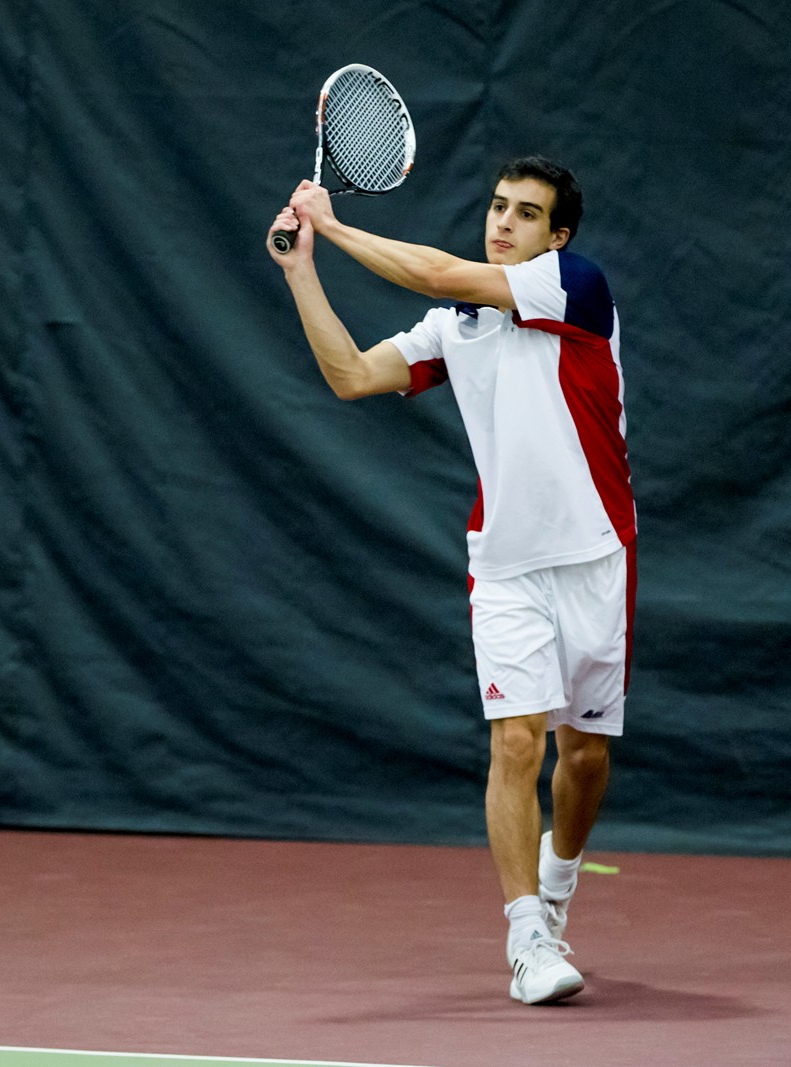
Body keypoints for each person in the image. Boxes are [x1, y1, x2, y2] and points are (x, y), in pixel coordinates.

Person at [267, 156, 637, 1006]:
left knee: (584, 755)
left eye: (526, 213)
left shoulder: (576, 288)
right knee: (517, 741)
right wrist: (301, 270)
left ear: (557, 237)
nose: (503, 222)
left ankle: (558, 879)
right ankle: (527, 937)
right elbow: (351, 374)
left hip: (596, 557)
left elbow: (436, 270)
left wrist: (332, 222)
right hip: (504, 567)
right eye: (499, 206)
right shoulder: (454, 328)